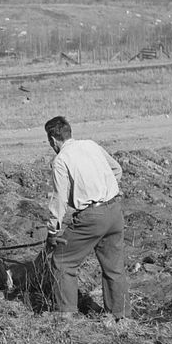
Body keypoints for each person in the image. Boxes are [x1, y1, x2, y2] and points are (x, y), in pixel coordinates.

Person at [42, 116, 129, 318]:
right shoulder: (91, 145)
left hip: (92, 217)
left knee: (62, 260)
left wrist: (53, 231)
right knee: (114, 267)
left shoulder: (61, 160)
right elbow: (117, 169)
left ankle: (65, 314)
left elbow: (59, 200)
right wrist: (102, 189)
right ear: (69, 132)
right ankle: (119, 315)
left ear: (53, 140)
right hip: (115, 210)